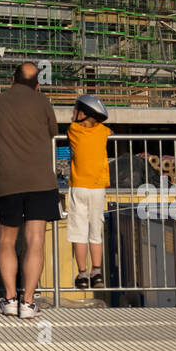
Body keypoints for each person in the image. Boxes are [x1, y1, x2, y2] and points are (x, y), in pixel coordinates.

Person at [0, 62, 59, 319]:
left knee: (6, 240)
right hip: (40, 181)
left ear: (12, 79)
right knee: (35, 240)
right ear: (37, 83)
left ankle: (9, 298)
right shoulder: (43, 103)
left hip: (8, 182)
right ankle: (28, 302)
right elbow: (53, 131)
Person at [67, 94, 111, 288]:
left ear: (82, 114)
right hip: (98, 188)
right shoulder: (103, 132)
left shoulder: (73, 130)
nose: (72, 115)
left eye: (75, 112)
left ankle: (82, 274)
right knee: (95, 232)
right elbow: (108, 131)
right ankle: (98, 272)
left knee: (79, 233)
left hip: (78, 187)